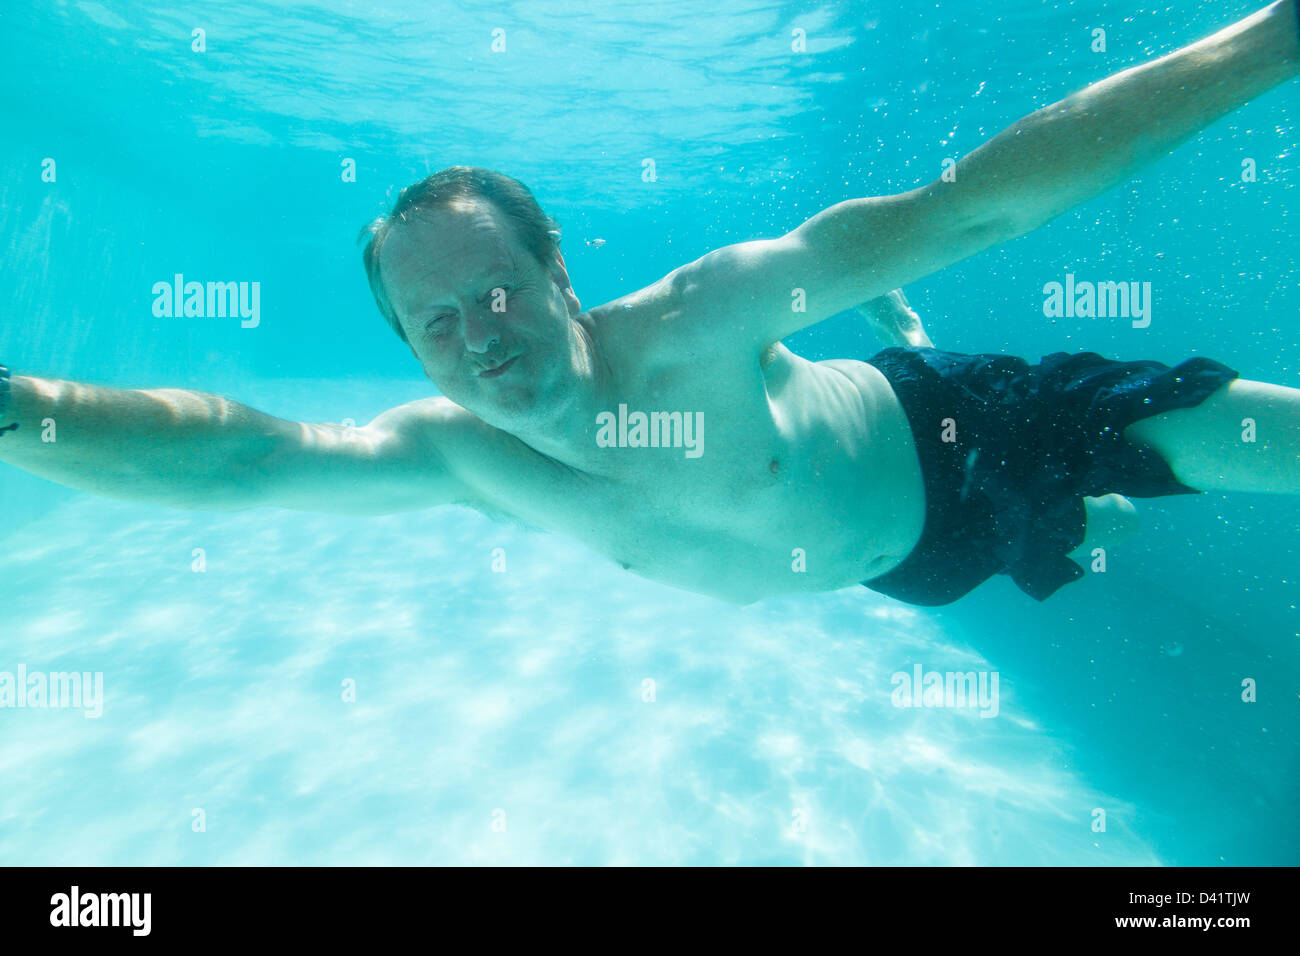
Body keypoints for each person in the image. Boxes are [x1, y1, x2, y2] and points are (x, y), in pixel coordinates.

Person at [3, 2, 1299, 606]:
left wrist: (1272, 40)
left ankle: (930, 355)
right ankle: (1082, 515)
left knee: (1242, 453)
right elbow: (240, 461)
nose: (482, 335)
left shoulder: (706, 317)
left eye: (498, 288)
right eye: (438, 323)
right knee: (1081, 541)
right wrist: (16, 410)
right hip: (911, 568)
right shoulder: (460, 454)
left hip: (979, 429)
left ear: (559, 274)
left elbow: (975, 206)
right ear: (409, 348)